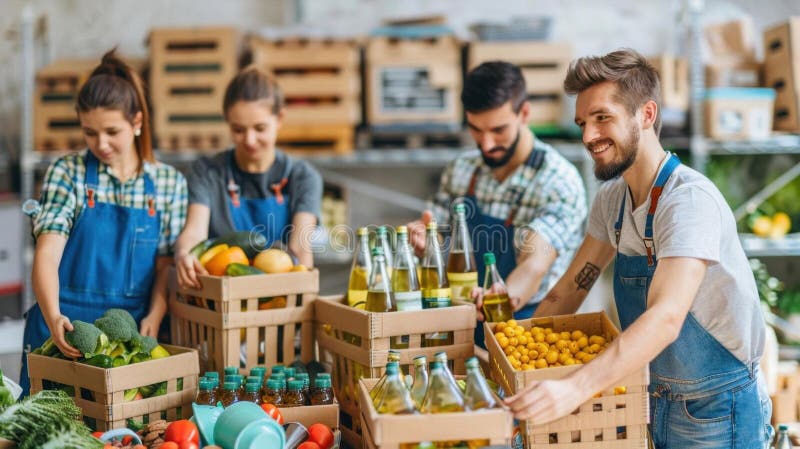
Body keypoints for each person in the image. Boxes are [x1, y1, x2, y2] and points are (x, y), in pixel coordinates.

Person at [504, 49, 772, 447]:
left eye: (602, 118)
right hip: (652, 398)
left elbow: (666, 317)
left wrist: (574, 388)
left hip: (716, 410)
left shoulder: (688, 202)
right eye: (582, 123)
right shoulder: (612, 201)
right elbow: (569, 290)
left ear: (646, 115)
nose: (587, 137)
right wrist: (516, 363)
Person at [20, 50, 188, 394]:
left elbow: (164, 269)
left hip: (126, 343)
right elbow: (47, 254)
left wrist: (154, 317)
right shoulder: (68, 172)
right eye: (90, 133)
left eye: (112, 131)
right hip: (61, 332)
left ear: (137, 122)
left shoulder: (169, 184)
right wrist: (53, 316)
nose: (102, 144)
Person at [408, 61, 587, 346]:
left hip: (525, 332)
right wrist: (422, 239)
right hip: (460, 326)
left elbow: (536, 262)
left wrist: (502, 296)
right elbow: (438, 234)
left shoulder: (558, 181)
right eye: (476, 130)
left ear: (524, 113)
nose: (487, 144)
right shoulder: (463, 169)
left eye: (498, 130)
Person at [174, 66, 322, 289]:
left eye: (260, 128)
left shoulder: (302, 177)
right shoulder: (206, 172)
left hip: (281, 296)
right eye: (238, 130)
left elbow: (301, 250)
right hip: (221, 298)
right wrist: (184, 254)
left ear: (280, 118)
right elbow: (195, 232)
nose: (250, 140)